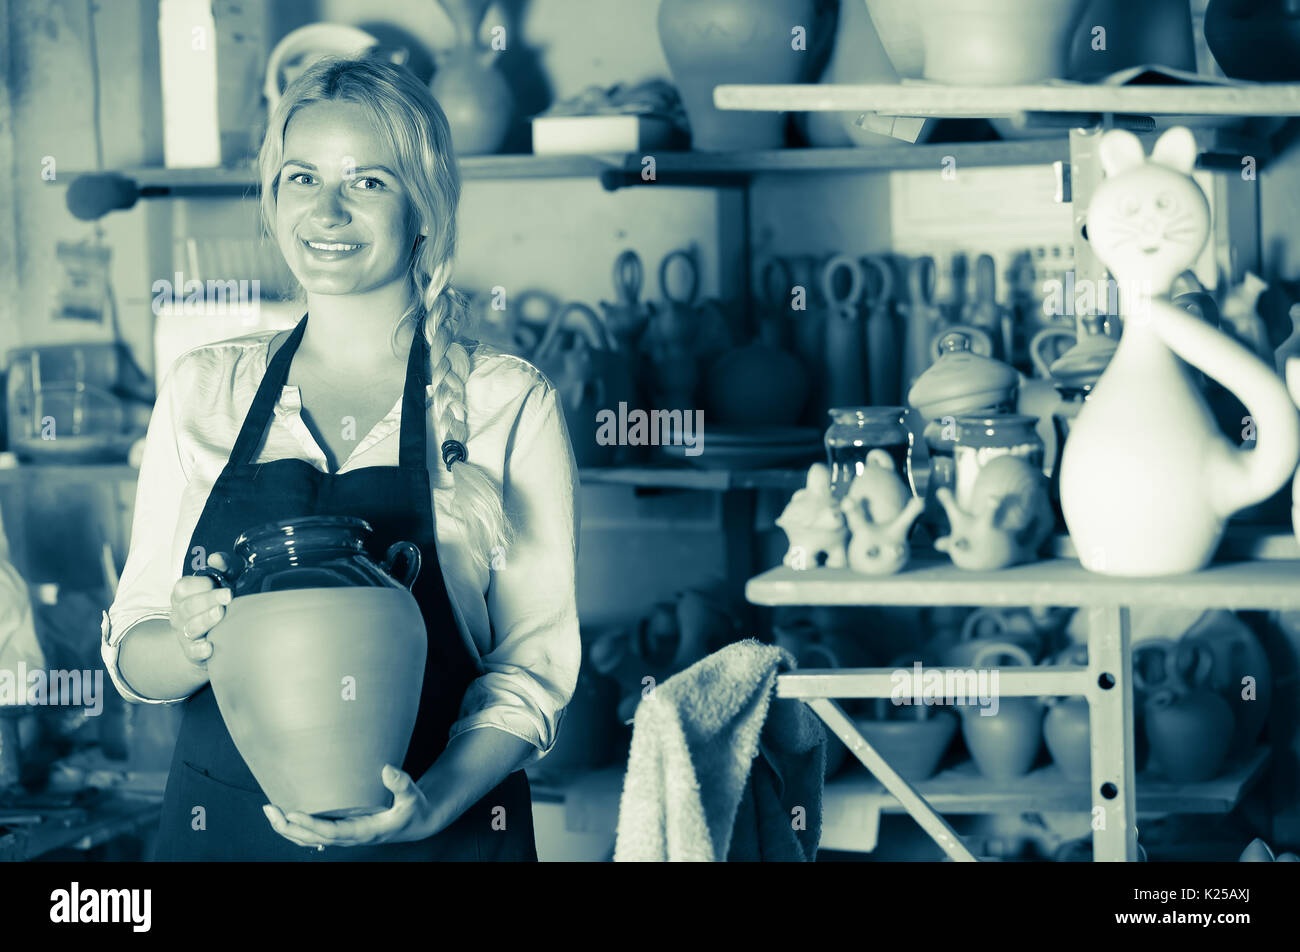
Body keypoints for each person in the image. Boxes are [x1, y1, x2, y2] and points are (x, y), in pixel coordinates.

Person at [100, 56, 581, 861]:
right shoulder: (204, 391)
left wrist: (432, 808)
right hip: (226, 835)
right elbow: (131, 652)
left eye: (367, 182)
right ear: (272, 198)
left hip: (440, 836)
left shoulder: (507, 403)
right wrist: (189, 643)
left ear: (422, 206)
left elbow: (531, 674)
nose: (326, 211)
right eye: (301, 179)